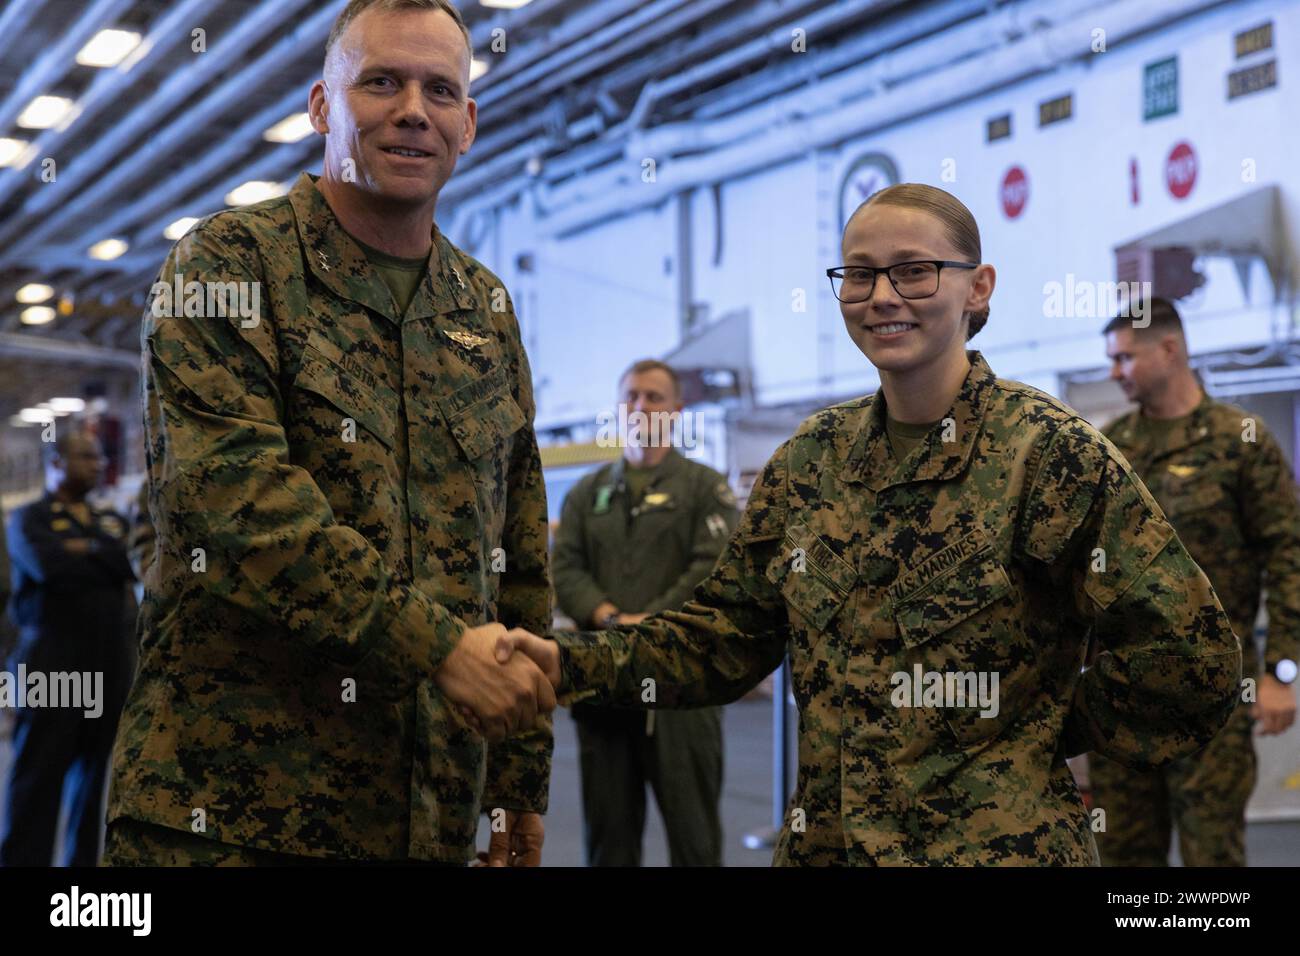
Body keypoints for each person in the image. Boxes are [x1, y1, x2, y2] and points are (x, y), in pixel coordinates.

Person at [502, 182, 1241, 866]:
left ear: (978, 288)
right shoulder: (810, 464)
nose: (883, 296)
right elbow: (723, 639)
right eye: (859, 275)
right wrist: (568, 664)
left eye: (914, 271)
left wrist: (1040, 731)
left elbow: (1194, 660)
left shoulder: (1048, 457)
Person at [103, 0, 555, 867]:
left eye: (439, 90)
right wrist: (438, 647)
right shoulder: (230, 267)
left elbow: (519, 557)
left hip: (427, 816)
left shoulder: (484, 310)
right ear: (321, 107)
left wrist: (515, 783)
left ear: (469, 124)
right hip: (232, 814)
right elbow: (235, 502)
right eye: (380, 82)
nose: (413, 109)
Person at [1091, 298, 1300, 866]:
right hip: (1125, 693)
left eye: (1124, 358)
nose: (1115, 372)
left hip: (1215, 690)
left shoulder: (1240, 441)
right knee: (1124, 857)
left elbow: (1288, 554)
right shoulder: (1112, 449)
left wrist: (1283, 671)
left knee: (1212, 856)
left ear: (1170, 349)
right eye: (1111, 360)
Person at [552, 359, 738, 866]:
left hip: (683, 692)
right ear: (618, 408)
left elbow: (711, 570)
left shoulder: (706, 489)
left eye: (654, 396)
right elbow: (565, 568)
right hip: (605, 690)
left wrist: (649, 625)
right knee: (608, 843)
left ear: (677, 410)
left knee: (694, 841)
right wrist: (610, 618)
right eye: (632, 395)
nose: (641, 405)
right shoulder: (587, 494)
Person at [1, 429, 135, 865]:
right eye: (85, 457)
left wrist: (86, 549)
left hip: (106, 662)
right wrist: (100, 557)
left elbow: (126, 561)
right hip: (51, 665)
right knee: (38, 777)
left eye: (99, 458)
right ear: (55, 462)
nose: (97, 464)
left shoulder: (111, 520)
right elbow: (48, 567)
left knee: (95, 780)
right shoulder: (28, 518)